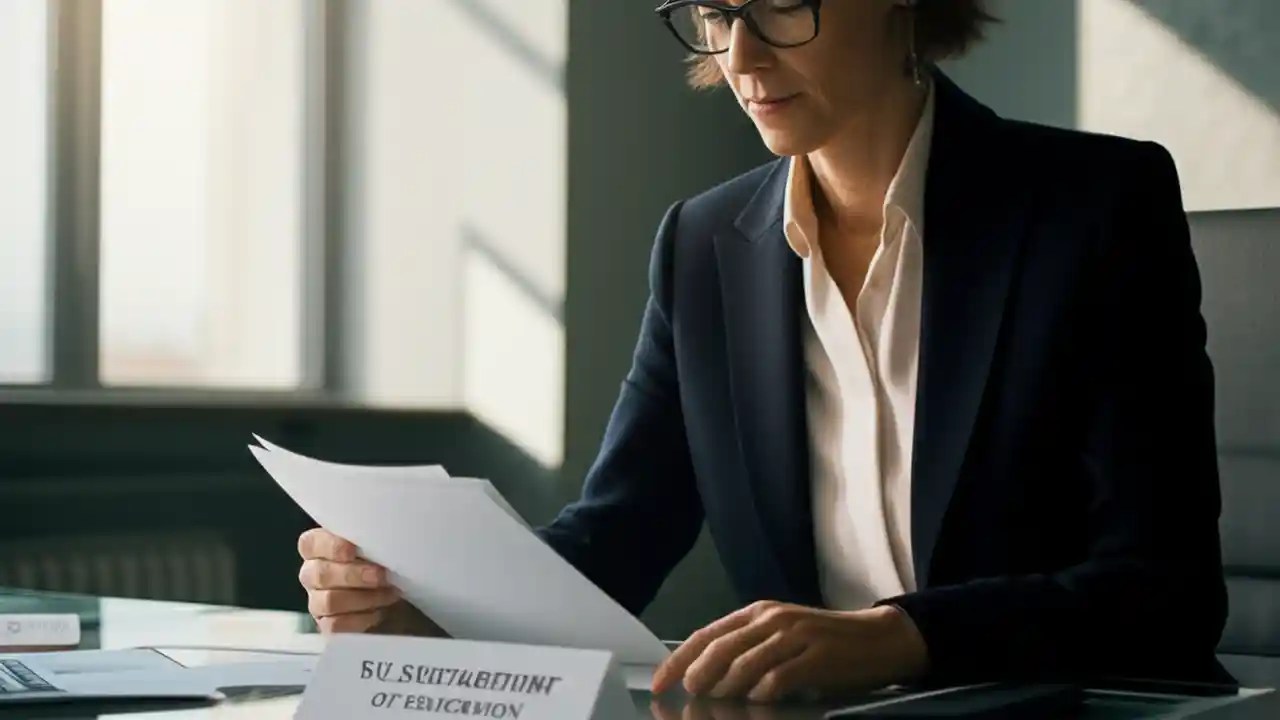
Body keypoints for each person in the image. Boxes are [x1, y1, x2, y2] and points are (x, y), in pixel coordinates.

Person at [297, 0, 1230, 703]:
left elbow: (1165, 590)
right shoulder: (704, 244)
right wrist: (436, 612)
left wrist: (900, 637)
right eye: (715, 12)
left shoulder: (1094, 207)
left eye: (782, 3)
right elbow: (618, 535)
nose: (739, 56)